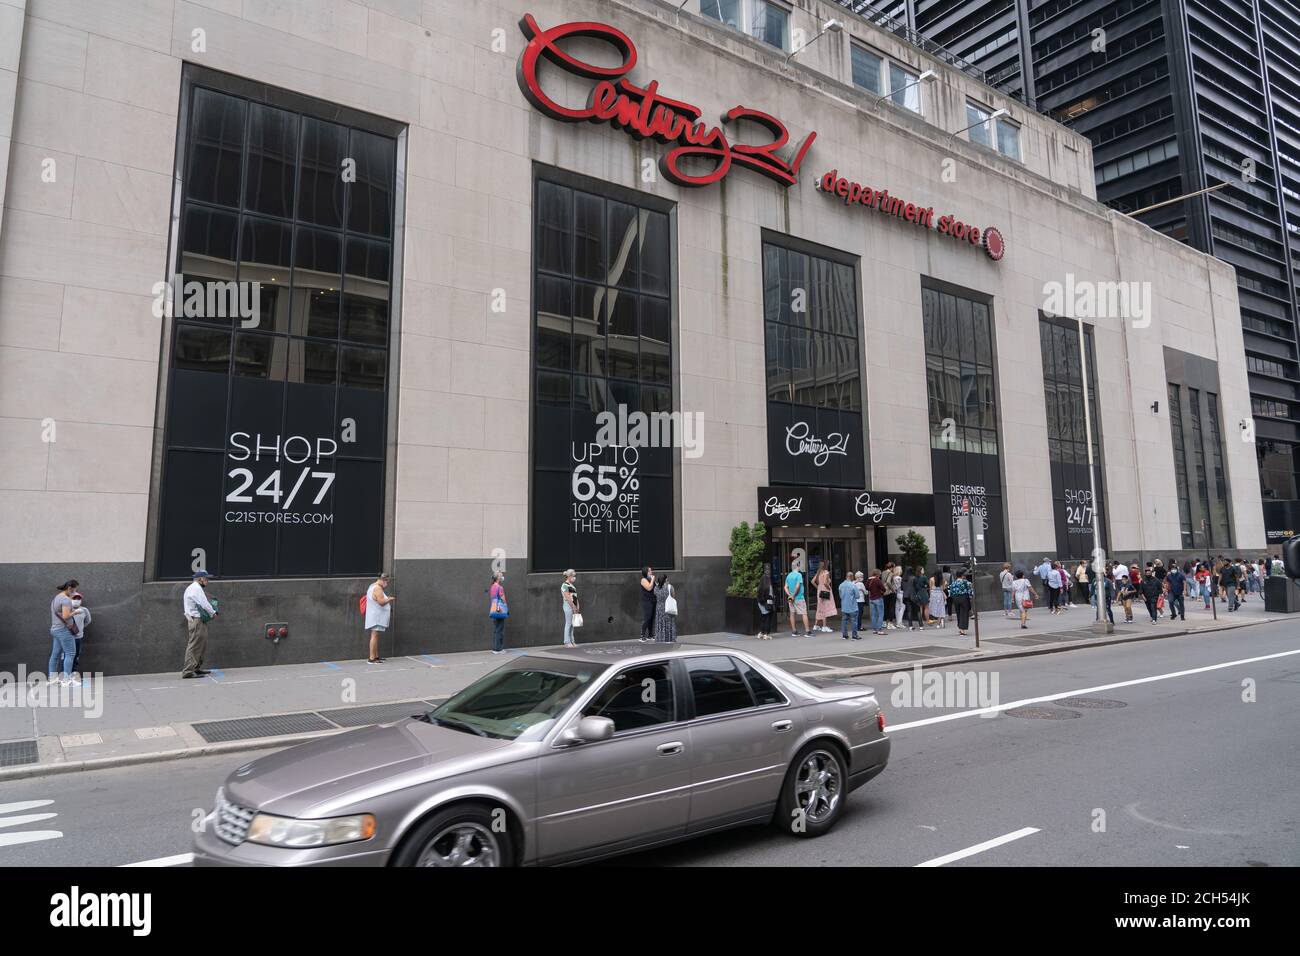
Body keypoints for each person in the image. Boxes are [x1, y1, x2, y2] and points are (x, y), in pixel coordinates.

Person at [181, 570, 216, 679]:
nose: (207, 581)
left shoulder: (193, 588)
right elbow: (204, 603)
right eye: (206, 579)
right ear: (200, 579)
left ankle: (195, 668)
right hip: (196, 620)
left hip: (198, 620)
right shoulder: (196, 588)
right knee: (195, 645)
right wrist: (213, 613)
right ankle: (188, 671)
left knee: (201, 645)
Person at [48, 580, 80, 686]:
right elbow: (66, 616)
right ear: (70, 588)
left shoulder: (56, 598)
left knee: (55, 654)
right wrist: (75, 612)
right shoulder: (65, 600)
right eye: (75, 590)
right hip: (64, 630)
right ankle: (67, 680)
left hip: (55, 629)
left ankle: (52, 678)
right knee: (70, 653)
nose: (75, 592)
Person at [364, 572, 394, 663]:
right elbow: (381, 602)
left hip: (374, 615)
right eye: (386, 581)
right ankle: (372, 658)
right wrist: (389, 599)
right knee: (374, 635)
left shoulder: (372, 586)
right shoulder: (378, 588)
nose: (387, 584)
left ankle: (376, 656)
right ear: (383, 580)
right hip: (376, 616)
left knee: (375, 636)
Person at [67, 591, 91, 678]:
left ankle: (73, 674)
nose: (76, 600)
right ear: (70, 599)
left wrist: (79, 629)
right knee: (66, 656)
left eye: (78, 599)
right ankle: (65, 675)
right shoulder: (66, 609)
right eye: (74, 598)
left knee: (76, 656)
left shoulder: (84, 610)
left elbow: (88, 621)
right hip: (67, 637)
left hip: (78, 637)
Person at [785, 557, 811, 638]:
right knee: (804, 613)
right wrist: (793, 595)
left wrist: (789, 595)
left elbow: (785, 587)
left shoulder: (789, 575)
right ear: (797, 566)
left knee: (792, 614)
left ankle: (794, 631)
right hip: (799, 597)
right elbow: (797, 586)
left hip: (791, 599)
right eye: (800, 566)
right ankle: (807, 631)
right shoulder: (799, 575)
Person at [949, 569, 974, 635]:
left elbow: (950, 592)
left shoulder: (953, 583)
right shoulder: (965, 582)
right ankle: (962, 630)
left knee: (958, 613)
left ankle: (960, 628)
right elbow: (970, 590)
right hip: (964, 598)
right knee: (964, 613)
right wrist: (970, 596)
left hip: (956, 598)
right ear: (962, 575)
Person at [813, 564, 836, 633]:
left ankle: (816, 625)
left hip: (820, 591)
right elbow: (826, 583)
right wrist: (829, 588)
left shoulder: (818, 573)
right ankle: (824, 626)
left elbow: (812, 581)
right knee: (825, 608)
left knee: (820, 608)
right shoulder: (826, 572)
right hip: (825, 591)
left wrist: (818, 588)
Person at [653, 573, 676, 643]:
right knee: (669, 623)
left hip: (659, 608)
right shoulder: (670, 587)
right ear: (666, 579)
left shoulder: (656, 588)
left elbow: (655, 595)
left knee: (660, 623)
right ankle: (669, 638)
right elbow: (673, 596)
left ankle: (660, 638)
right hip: (668, 608)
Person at [839, 570, 861, 640]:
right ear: (851, 577)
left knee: (844, 621)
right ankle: (854, 635)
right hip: (852, 606)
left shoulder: (841, 585)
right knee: (854, 621)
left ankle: (844, 635)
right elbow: (857, 596)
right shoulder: (853, 585)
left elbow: (840, 596)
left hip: (844, 606)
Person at [561, 569, 579, 647]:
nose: (574, 578)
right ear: (569, 576)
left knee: (572, 624)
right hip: (568, 606)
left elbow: (575, 597)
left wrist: (577, 606)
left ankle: (572, 641)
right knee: (568, 623)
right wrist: (573, 607)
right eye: (573, 576)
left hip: (573, 606)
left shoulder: (572, 586)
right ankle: (567, 642)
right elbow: (568, 597)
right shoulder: (564, 585)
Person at [756, 567, 775, 640]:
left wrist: (762, 602)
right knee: (768, 618)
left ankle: (761, 633)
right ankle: (766, 634)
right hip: (767, 603)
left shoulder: (760, 586)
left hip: (761, 603)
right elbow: (770, 596)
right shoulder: (768, 586)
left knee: (763, 618)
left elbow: (759, 596)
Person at [639, 568, 657, 642]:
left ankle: (650, 635)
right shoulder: (643, 580)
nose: (651, 572)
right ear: (646, 572)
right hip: (647, 601)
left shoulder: (652, 579)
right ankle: (642, 635)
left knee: (652, 618)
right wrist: (652, 580)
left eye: (651, 570)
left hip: (653, 600)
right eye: (649, 570)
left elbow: (655, 588)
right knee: (647, 618)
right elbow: (649, 588)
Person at [866, 569, 886, 636]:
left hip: (871, 599)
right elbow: (884, 589)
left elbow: (867, 588)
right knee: (880, 614)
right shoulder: (877, 580)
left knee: (874, 615)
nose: (880, 575)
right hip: (878, 598)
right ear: (878, 574)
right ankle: (879, 630)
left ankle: (875, 630)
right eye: (880, 574)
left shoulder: (869, 580)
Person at [881, 563, 897, 630]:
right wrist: (893, 590)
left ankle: (884, 622)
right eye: (894, 567)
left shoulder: (883, 573)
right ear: (891, 567)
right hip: (890, 592)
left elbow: (883, 582)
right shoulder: (891, 573)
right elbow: (888, 582)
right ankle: (890, 623)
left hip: (884, 592)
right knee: (891, 607)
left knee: (885, 607)